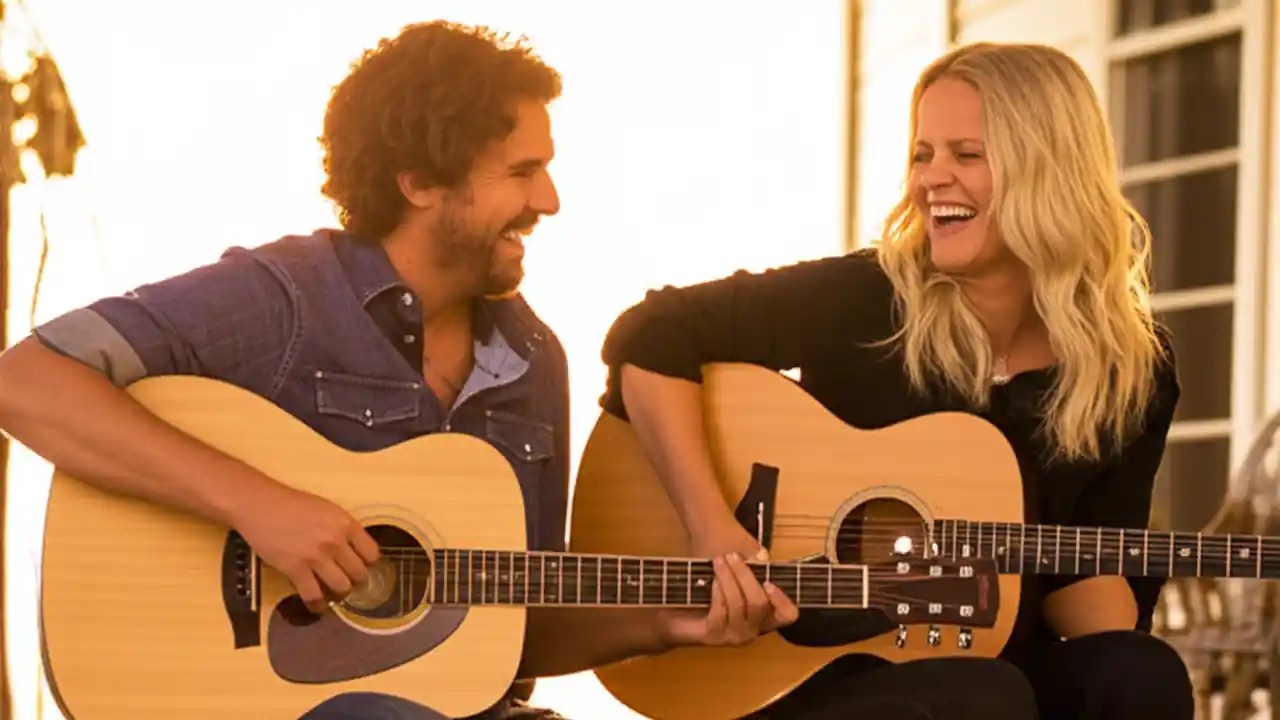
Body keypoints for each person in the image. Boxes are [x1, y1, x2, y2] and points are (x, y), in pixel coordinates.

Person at [0, 21, 797, 720]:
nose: (549, 199)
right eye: (522, 172)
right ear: (419, 182)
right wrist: (260, 507)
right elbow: (27, 381)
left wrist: (668, 623)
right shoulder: (285, 300)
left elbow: (509, 618)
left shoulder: (531, 360)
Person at [599, 41, 1194, 720]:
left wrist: (1073, 561)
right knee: (983, 696)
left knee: (1139, 671)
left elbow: (1093, 607)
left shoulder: (1133, 369)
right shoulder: (869, 298)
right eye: (923, 154)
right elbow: (651, 336)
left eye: (966, 155)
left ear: (1049, 170)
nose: (930, 180)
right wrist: (710, 527)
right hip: (803, 671)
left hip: (1002, 672)